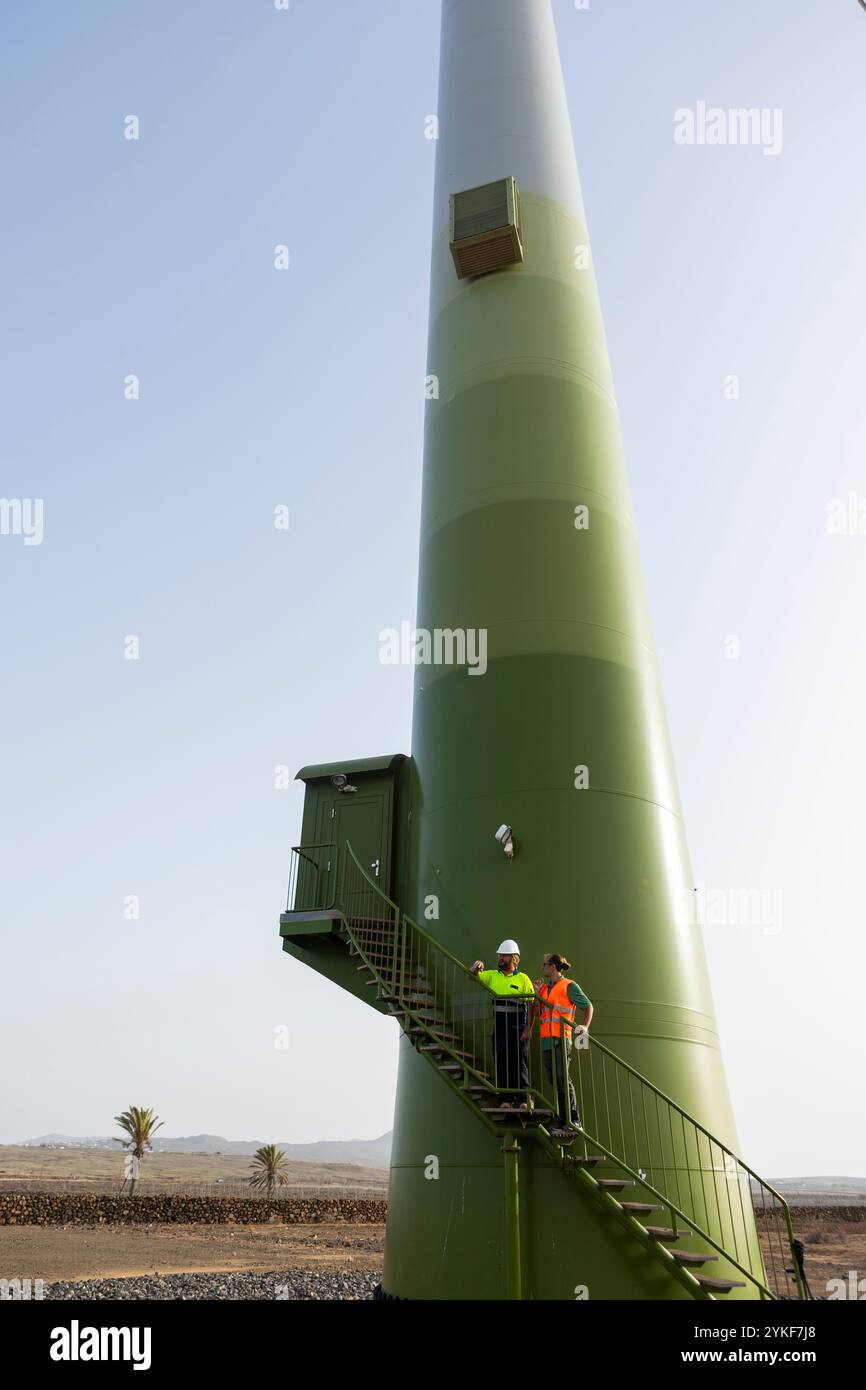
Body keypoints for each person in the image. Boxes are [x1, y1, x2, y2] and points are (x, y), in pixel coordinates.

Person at [529, 953, 593, 1140]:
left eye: (545, 965)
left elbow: (588, 1006)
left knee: (562, 1078)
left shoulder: (569, 986)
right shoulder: (543, 989)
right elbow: (536, 1010)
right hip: (546, 1039)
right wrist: (535, 994)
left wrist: (584, 1026)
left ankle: (574, 1121)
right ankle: (563, 1120)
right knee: (554, 1080)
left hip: (561, 1038)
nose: (543, 968)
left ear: (554, 967)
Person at [470, 941, 536, 1109]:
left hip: (518, 1025)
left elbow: (533, 1004)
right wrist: (474, 969)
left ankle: (524, 1100)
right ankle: (506, 1099)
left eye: (504, 955)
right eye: (499, 955)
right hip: (500, 1026)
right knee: (502, 1061)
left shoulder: (523, 979)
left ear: (513, 958)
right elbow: (471, 977)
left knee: (519, 1062)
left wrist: (528, 1028)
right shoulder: (492, 975)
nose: (500, 957)